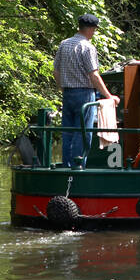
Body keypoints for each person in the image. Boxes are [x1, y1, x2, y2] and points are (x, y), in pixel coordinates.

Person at [54, 14, 116, 167]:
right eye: (94, 30)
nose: (94, 33)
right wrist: (109, 96)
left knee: (67, 132)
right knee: (83, 134)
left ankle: (67, 166)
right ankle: (78, 167)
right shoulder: (87, 47)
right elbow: (94, 75)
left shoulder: (64, 44)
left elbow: (56, 71)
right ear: (90, 29)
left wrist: (63, 88)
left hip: (67, 94)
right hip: (84, 95)